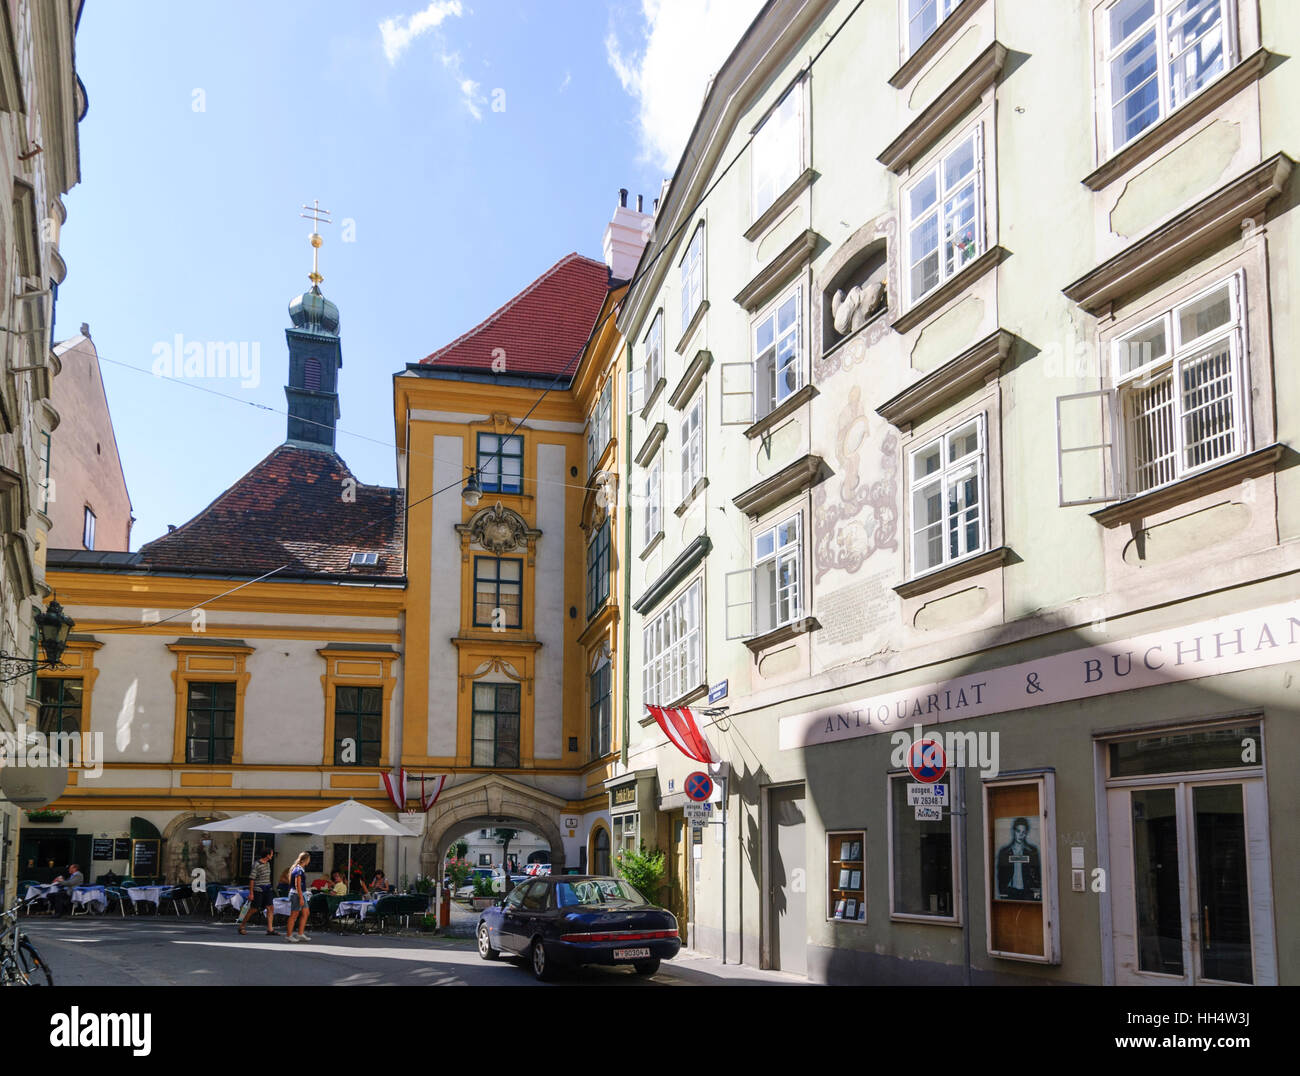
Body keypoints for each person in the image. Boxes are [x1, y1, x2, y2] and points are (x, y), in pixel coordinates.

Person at [995, 817, 1042, 901]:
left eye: (1023, 832)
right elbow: (1000, 876)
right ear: (1013, 831)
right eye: (1018, 831)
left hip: (1027, 893)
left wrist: (1036, 893)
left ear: (1026, 833)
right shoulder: (1005, 852)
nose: (1021, 835)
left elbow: (1036, 875)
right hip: (1010, 892)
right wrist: (1002, 894)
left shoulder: (1032, 852)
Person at [240, 847, 277, 935]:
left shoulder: (268, 864)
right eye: (271, 854)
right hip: (258, 889)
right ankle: (242, 926)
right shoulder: (256, 864)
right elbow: (252, 879)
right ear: (267, 855)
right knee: (254, 909)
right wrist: (251, 893)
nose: (272, 855)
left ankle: (270, 929)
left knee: (270, 908)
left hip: (267, 888)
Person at [285, 852, 312, 942]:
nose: (309, 861)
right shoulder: (298, 870)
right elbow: (298, 885)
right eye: (309, 859)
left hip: (300, 894)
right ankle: (289, 935)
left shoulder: (299, 869)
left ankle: (300, 933)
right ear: (306, 860)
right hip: (297, 894)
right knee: (294, 915)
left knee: (306, 913)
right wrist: (301, 897)